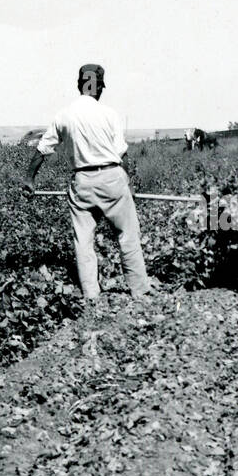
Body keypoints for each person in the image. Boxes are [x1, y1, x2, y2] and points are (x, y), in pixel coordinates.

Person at [24, 63, 151, 302]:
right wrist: (129, 184)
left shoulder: (64, 115)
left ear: (79, 85)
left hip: (82, 181)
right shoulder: (109, 114)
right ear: (100, 87)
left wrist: (29, 179)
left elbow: (43, 148)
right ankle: (140, 291)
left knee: (83, 241)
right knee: (127, 234)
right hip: (112, 178)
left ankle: (91, 297)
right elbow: (121, 154)